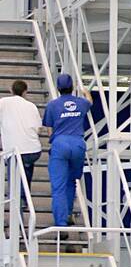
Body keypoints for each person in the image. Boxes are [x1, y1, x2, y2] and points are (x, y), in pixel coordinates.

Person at [43, 74, 92, 229]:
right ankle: (69, 213)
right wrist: (85, 91)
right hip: (78, 144)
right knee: (71, 181)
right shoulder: (81, 103)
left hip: (60, 143)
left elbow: (49, 128)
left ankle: (61, 223)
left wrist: (54, 142)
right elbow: (90, 102)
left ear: (58, 88)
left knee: (59, 186)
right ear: (72, 88)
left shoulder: (52, 105)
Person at [0, 78, 42, 189]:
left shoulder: (3, 103)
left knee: (14, 180)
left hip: (13, 150)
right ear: (25, 92)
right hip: (32, 149)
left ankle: (19, 203)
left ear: (11, 90)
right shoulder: (31, 106)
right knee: (25, 177)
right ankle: (23, 200)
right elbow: (38, 129)